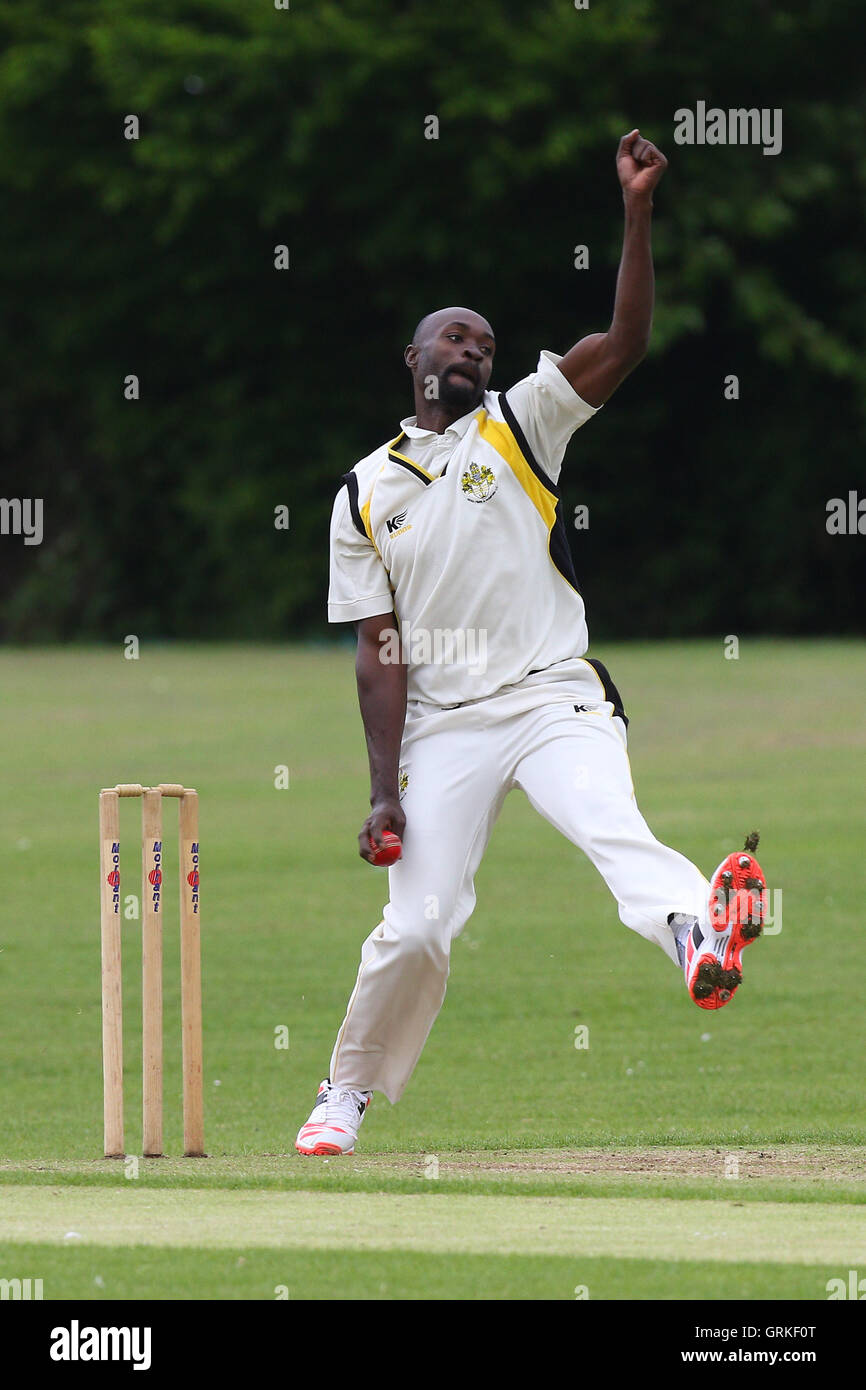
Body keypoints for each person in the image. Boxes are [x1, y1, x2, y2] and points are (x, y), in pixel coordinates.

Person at [296, 130, 766, 1157]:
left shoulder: (520, 427)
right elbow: (378, 650)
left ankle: (700, 929)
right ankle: (344, 1089)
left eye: (485, 344)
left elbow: (624, 340)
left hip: (552, 694)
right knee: (417, 926)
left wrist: (636, 212)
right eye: (453, 339)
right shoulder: (363, 491)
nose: (473, 350)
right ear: (412, 360)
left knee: (610, 824)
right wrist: (382, 790)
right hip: (444, 728)